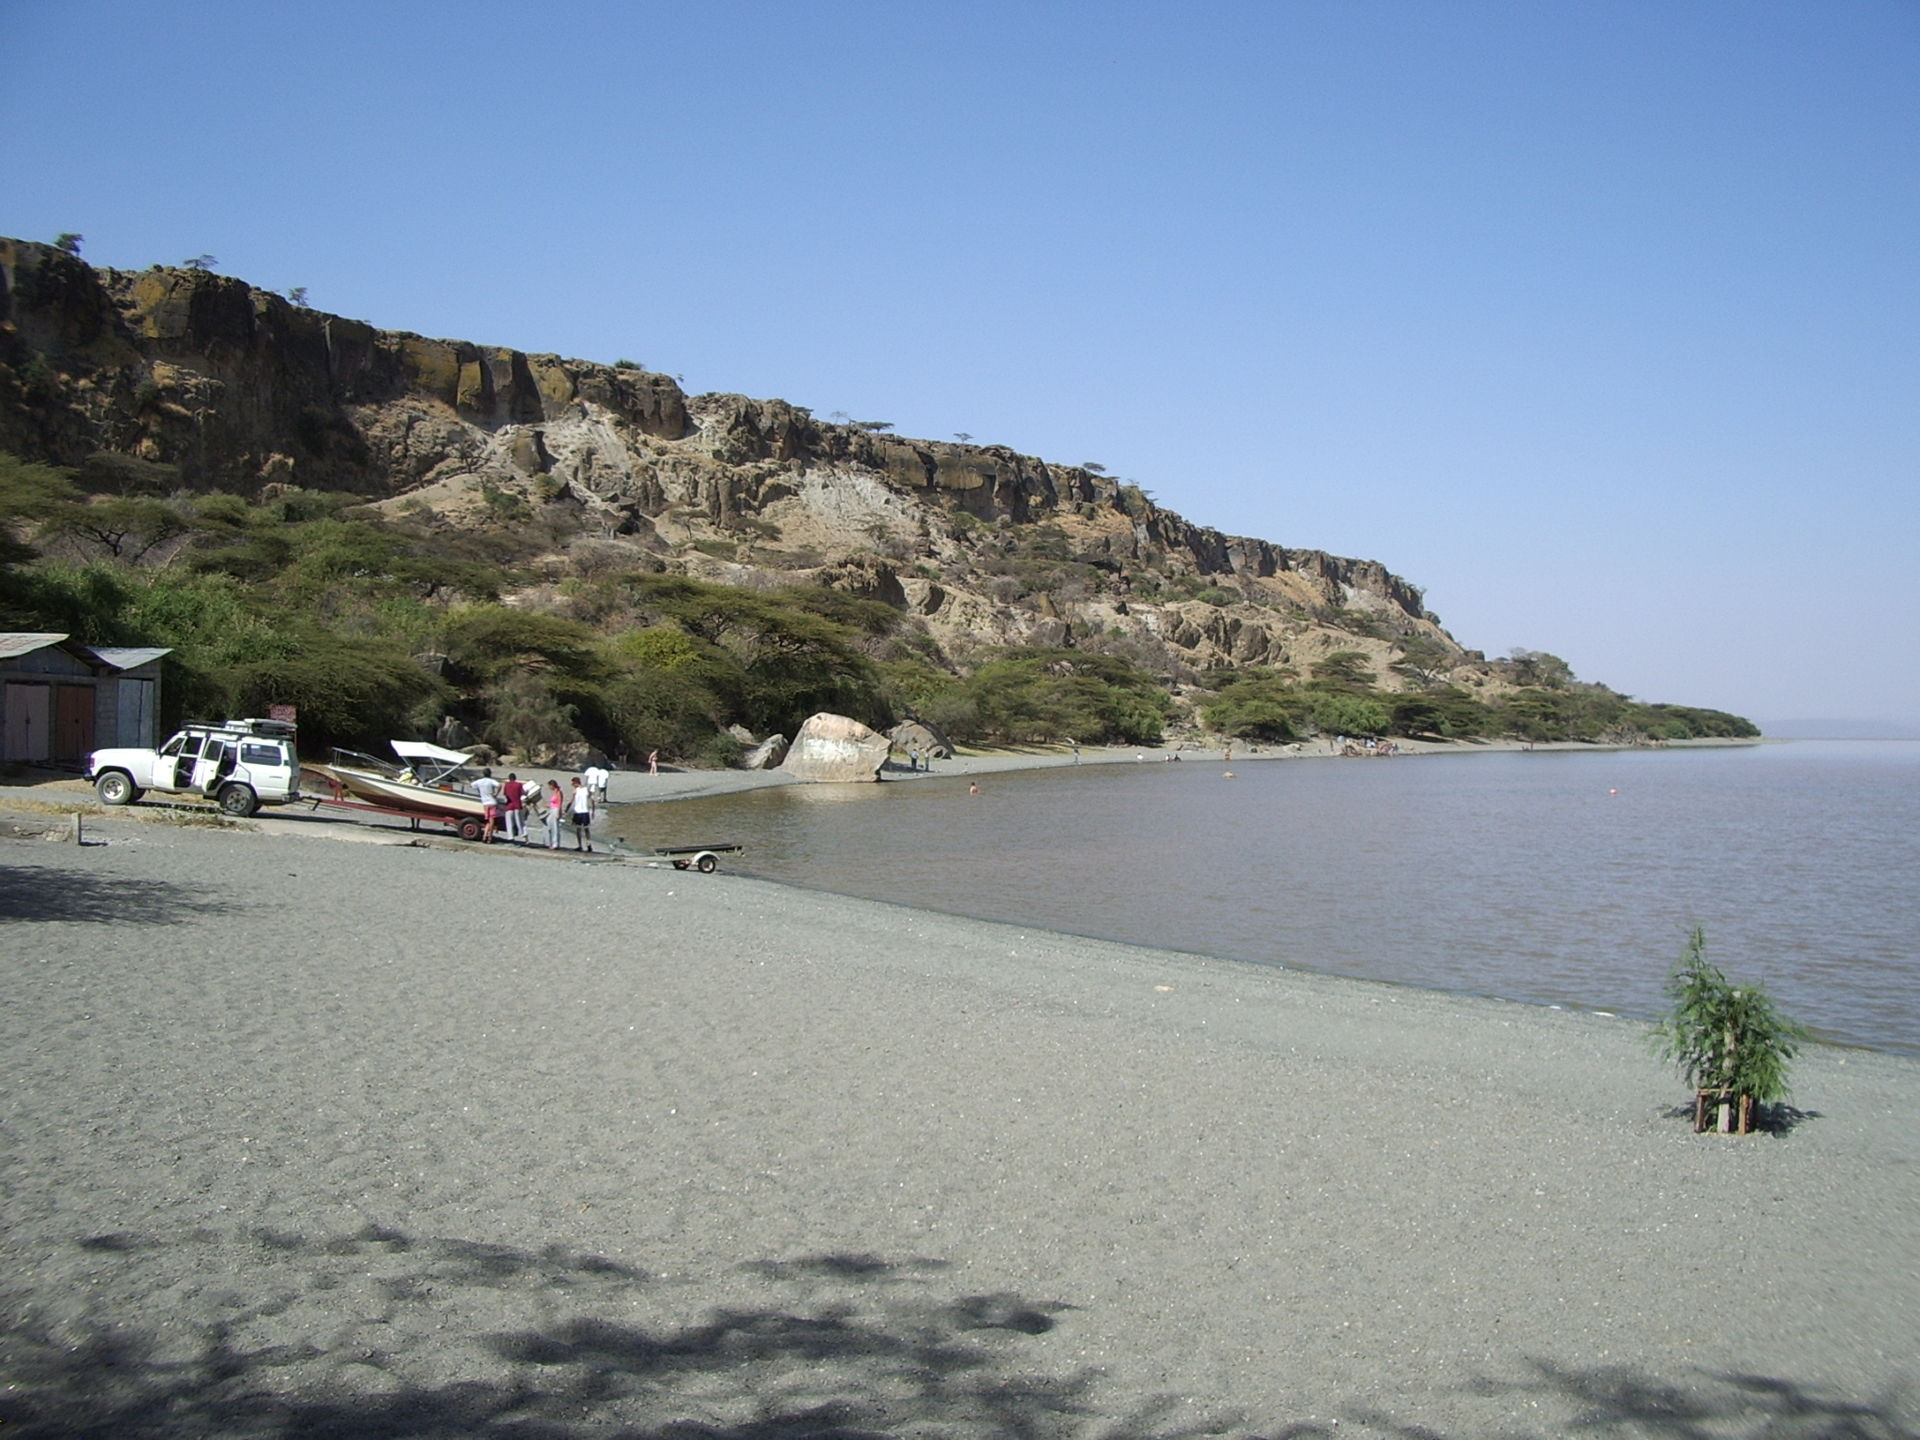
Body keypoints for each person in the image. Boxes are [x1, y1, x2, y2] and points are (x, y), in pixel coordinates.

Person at [472, 767, 502, 844]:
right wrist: (496, 794)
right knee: (491, 821)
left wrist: (479, 790)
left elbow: (472, 785)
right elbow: (499, 785)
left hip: (485, 803)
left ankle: (485, 836)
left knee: (488, 820)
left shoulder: (479, 781)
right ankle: (489, 837)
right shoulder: (491, 781)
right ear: (490, 774)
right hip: (492, 802)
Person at [569, 776, 594, 852]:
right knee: (585, 829)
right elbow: (592, 800)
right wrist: (593, 811)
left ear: (575, 783)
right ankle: (587, 845)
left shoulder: (578, 790)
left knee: (580, 829)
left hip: (580, 811)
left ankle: (583, 845)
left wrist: (566, 809)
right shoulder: (584, 790)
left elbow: (571, 801)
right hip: (583, 812)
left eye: (573, 784)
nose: (573, 785)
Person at [501, 773, 526, 843]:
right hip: (518, 805)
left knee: (509, 822)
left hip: (509, 805)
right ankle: (523, 835)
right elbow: (523, 793)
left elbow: (505, 794)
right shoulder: (519, 785)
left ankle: (510, 837)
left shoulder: (507, 785)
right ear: (515, 778)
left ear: (509, 778)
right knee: (520, 822)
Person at [544, 779, 564, 849]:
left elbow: (559, 803)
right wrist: (548, 806)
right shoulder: (554, 792)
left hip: (556, 810)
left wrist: (558, 812)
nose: (549, 788)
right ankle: (550, 842)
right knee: (549, 824)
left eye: (549, 786)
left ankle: (555, 844)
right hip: (552, 809)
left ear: (552, 785)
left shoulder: (559, 792)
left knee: (555, 827)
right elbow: (553, 803)